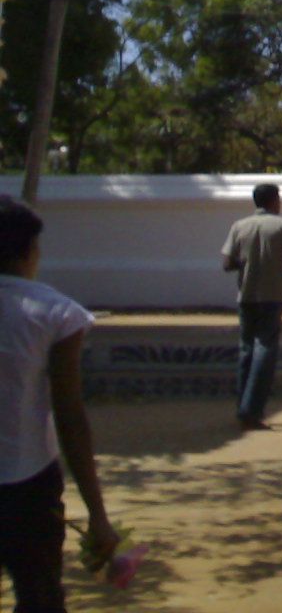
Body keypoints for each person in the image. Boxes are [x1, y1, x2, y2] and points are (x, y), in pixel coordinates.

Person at [0, 196, 119, 610]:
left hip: (28, 480)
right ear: (30, 251)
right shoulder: (53, 313)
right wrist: (97, 515)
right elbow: (69, 416)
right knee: (39, 597)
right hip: (27, 484)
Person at [220, 182, 282, 430]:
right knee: (265, 350)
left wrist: (247, 263)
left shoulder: (239, 226)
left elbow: (227, 264)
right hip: (271, 296)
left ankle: (242, 407)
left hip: (246, 296)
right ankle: (252, 410)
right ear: (273, 200)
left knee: (246, 349)